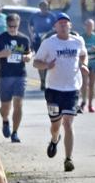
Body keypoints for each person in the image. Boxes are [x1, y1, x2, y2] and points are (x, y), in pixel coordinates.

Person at [32, 13, 88, 172]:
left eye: (66, 23)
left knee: (68, 123)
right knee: (55, 125)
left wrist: (83, 65)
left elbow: (83, 55)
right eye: (60, 23)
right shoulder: (49, 43)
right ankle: (55, 139)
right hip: (53, 90)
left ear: (70, 26)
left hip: (72, 89)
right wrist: (47, 66)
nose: (64, 25)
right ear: (55, 27)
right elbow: (36, 62)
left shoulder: (78, 41)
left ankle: (68, 159)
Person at [0, 13, 31, 142]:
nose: (12, 29)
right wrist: (1, 53)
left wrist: (28, 57)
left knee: (18, 104)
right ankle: (5, 120)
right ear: (6, 25)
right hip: (5, 76)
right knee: (5, 107)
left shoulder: (24, 39)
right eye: (10, 26)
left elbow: (29, 53)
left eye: (15, 26)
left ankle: (15, 132)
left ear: (18, 25)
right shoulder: (0, 38)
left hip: (20, 75)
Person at [29, 1, 56, 90]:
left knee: (48, 60)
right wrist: (32, 35)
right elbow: (30, 25)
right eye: (42, 6)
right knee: (40, 60)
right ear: (40, 7)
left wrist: (51, 33)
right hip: (37, 40)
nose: (44, 8)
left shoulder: (51, 16)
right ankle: (42, 80)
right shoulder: (35, 16)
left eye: (46, 6)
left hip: (49, 40)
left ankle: (47, 78)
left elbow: (56, 27)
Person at [80, 19, 95, 113]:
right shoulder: (81, 37)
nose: (89, 28)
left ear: (93, 27)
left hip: (94, 62)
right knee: (84, 84)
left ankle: (90, 105)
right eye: (87, 26)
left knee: (91, 85)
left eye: (91, 26)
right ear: (84, 26)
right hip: (84, 63)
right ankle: (83, 102)